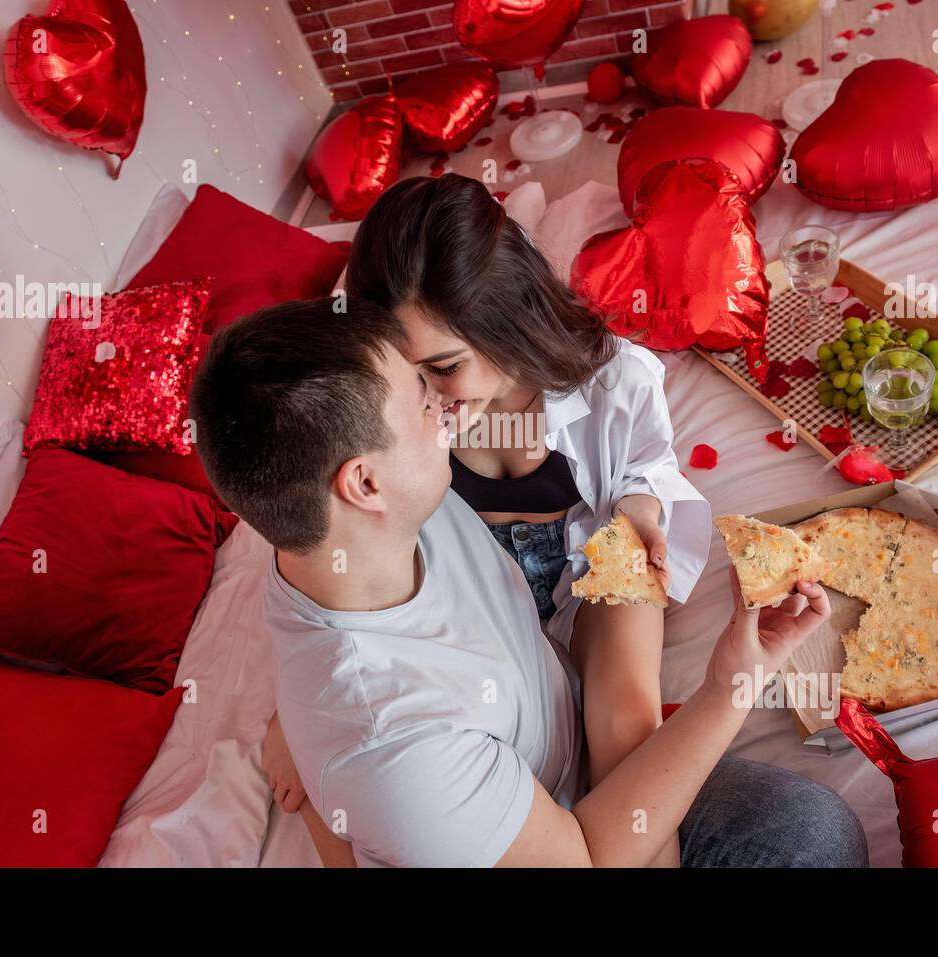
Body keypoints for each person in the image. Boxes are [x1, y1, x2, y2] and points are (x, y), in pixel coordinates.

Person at [188, 296, 868, 867]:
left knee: (809, 829)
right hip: (563, 836)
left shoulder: (342, 530)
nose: (449, 411)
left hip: (546, 774)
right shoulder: (398, 746)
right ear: (364, 482)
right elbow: (590, 855)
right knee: (812, 841)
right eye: (422, 403)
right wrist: (727, 687)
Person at [271, 174, 713, 866]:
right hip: (473, 630)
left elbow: (645, 463)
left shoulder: (613, 381)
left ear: (500, 318)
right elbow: (331, 542)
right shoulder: (400, 432)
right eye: (409, 379)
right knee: (429, 802)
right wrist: (300, 715)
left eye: (444, 368)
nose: (433, 402)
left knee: (628, 724)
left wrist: (640, 508)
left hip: (587, 594)